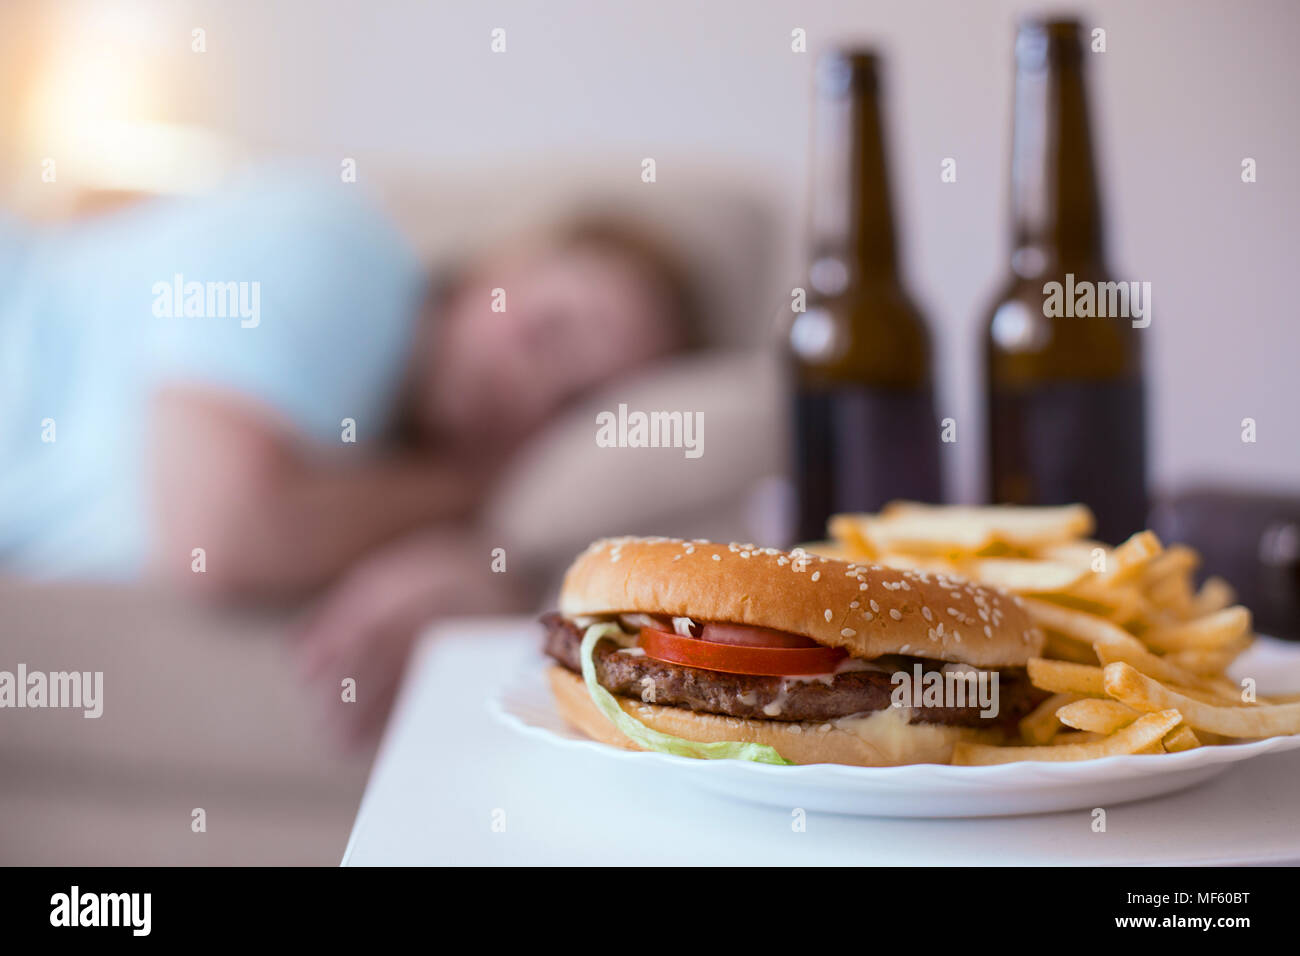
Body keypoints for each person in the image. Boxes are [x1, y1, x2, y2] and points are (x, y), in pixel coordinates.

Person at [0, 170, 695, 743]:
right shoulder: (339, 253)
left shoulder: (375, 462)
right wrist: (473, 487)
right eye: (550, 330)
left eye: (570, 406)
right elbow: (223, 534)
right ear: (505, 263)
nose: (530, 390)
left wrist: (478, 559)